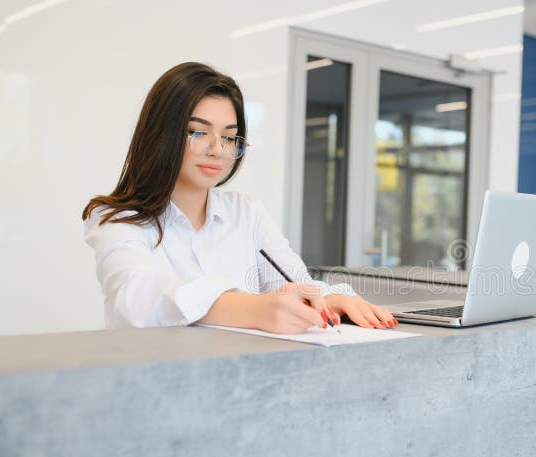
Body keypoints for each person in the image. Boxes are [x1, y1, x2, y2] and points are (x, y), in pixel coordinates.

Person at [82, 62, 396, 334]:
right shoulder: (115, 219)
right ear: (161, 134)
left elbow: (292, 280)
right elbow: (137, 296)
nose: (218, 149)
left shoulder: (246, 213)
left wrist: (327, 298)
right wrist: (254, 310)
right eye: (198, 131)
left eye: (229, 137)